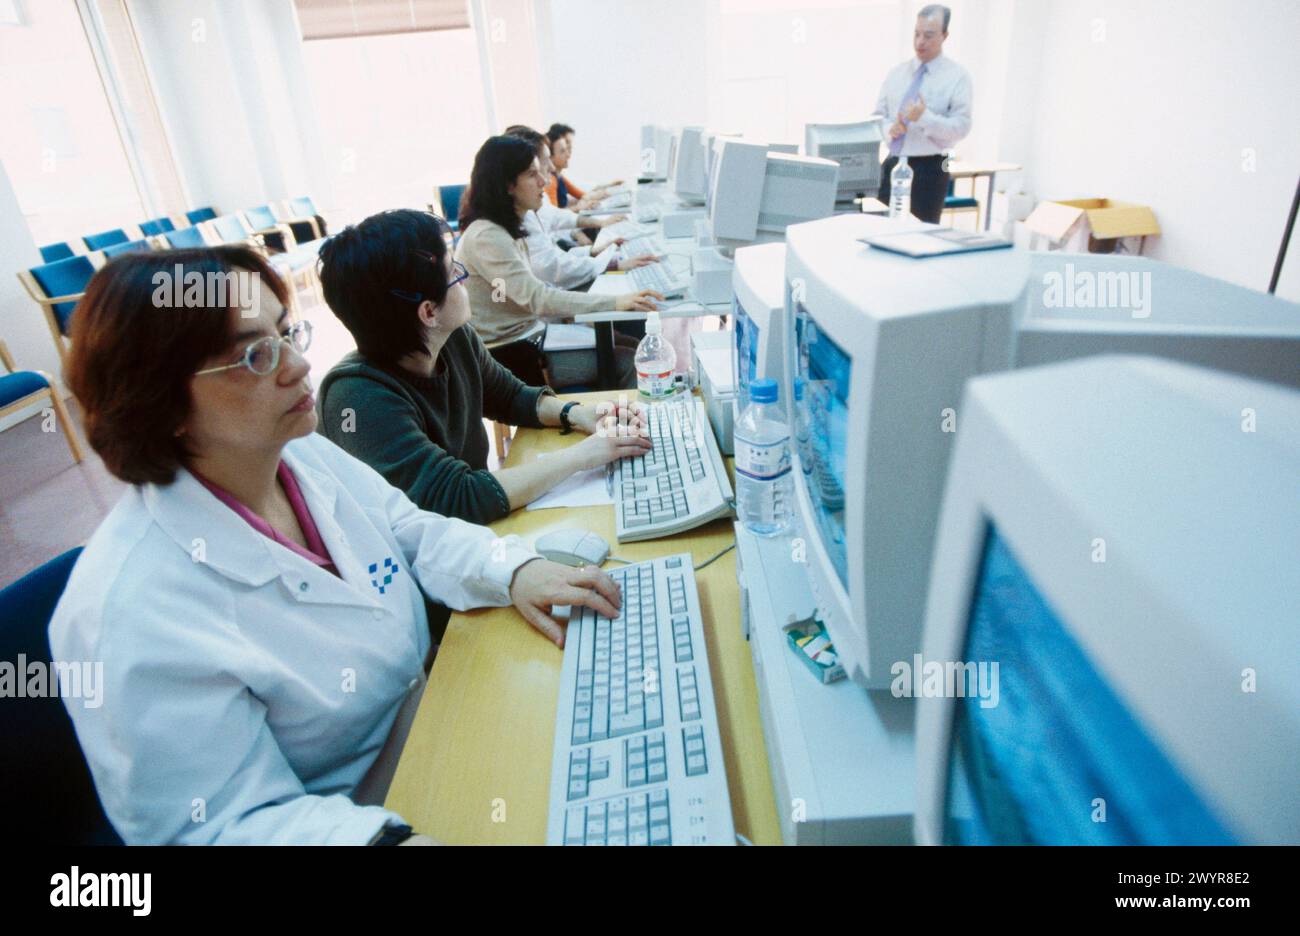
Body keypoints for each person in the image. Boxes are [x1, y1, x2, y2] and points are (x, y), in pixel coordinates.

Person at [50, 246, 625, 845]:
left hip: (431, 726)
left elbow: (410, 529)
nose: (299, 365)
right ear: (157, 400)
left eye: (285, 332)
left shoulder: (300, 455)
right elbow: (227, 827)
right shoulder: (129, 613)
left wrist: (513, 569)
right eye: (255, 355)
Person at [316, 208, 652, 526]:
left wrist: (576, 414)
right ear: (429, 312)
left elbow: (508, 396)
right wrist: (584, 456)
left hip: (459, 539)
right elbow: (457, 497)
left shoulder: (454, 338)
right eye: (454, 272)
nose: (464, 278)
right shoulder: (357, 398)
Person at [455, 135, 660, 389]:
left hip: (528, 335)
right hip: (513, 352)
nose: (544, 181)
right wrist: (616, 301)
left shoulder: (504, 228)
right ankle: (625, 426)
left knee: (628, 344)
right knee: (632, 361)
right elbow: (538, 298)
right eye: (533, 175)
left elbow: (512, 293)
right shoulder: (488, 236)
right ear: (507, 184)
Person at [505, 125, 658, 290]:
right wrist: (610, 264)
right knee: (629, 295)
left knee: (626, 291)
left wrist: (594, 251)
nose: (550, 168)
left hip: (558, 283)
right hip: (554, 296)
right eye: (545, 160)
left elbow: (553, 253)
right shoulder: (513, 219)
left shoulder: (529, 206)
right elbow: (552, 268)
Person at [873, 4, 972, 223]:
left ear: (944, 35)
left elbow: (962, 126)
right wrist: (890, 129)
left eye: (928, 35)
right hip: (893, 162)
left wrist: (925, 118)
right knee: (878, 228)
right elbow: (877, 117)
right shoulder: (897, 74)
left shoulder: (957, 77)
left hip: (932, 167)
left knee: (920, 237)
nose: (920, 42)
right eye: (916, 34)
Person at [544, 123, 621, 212]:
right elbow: (554, 217)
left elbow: (582, 195)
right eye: (563, 151)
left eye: (568, 148)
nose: (569, 154)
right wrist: (579, 206)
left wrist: (607, 190)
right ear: (550, 156)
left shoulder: (559, 177)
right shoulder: (551, 181)